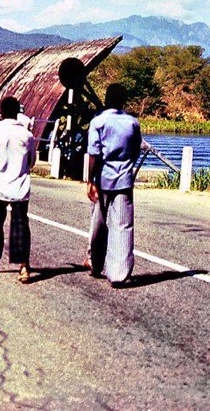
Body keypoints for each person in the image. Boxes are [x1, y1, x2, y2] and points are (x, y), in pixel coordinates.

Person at [85, 83, 142, 288]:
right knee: (123, 225)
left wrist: (91, 180)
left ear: (107, 99)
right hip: (124, 179)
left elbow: (94, 154)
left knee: (98, 223)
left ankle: (95, 263)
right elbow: (135, 150)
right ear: (123, 101)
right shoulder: (132, 123)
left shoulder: (98, 122)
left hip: (102, 178)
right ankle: (119, 273)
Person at [0, 96, 37, 284]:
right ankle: (24, 267)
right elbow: (32, 161)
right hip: (20, 185)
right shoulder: (27, 135)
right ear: (18, 112)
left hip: (0, 184)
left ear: (2, 112)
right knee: (20, 224)